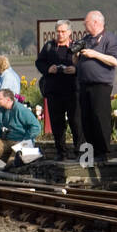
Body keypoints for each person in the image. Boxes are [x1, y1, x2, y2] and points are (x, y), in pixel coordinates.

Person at [75, 10, 117, 164]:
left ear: (96, 22)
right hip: (84, 84)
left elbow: (115, 61)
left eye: (86, 22)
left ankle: (104, 153)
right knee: (86, 119)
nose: (84, 25)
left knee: (100, 118)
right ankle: (90, 154)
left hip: (101, 85)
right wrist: (76, 56)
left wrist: (94, 54)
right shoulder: (86, 39)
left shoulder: (110, 38)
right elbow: (78, 63)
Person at [35, 20, 81, 161]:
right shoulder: (49, 46)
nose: (60, 34)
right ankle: (61, 153)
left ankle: (79, 152)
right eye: (58, 31)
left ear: (69, 32)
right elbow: (39, 62)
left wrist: (76, 69)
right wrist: (48, 69)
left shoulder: (76, 46)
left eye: (63, 31)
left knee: (76, 123)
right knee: (57, 124)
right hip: (54, 91)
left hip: (72, 91)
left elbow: (86, 64)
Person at [0, 88, 42, 167]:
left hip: (21, 141)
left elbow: (36, 127)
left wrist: (26, 139)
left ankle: (14, 162)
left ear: (7, 100)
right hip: (8, 140)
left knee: (11, 166)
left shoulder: (21, 110)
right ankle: (12, 161)